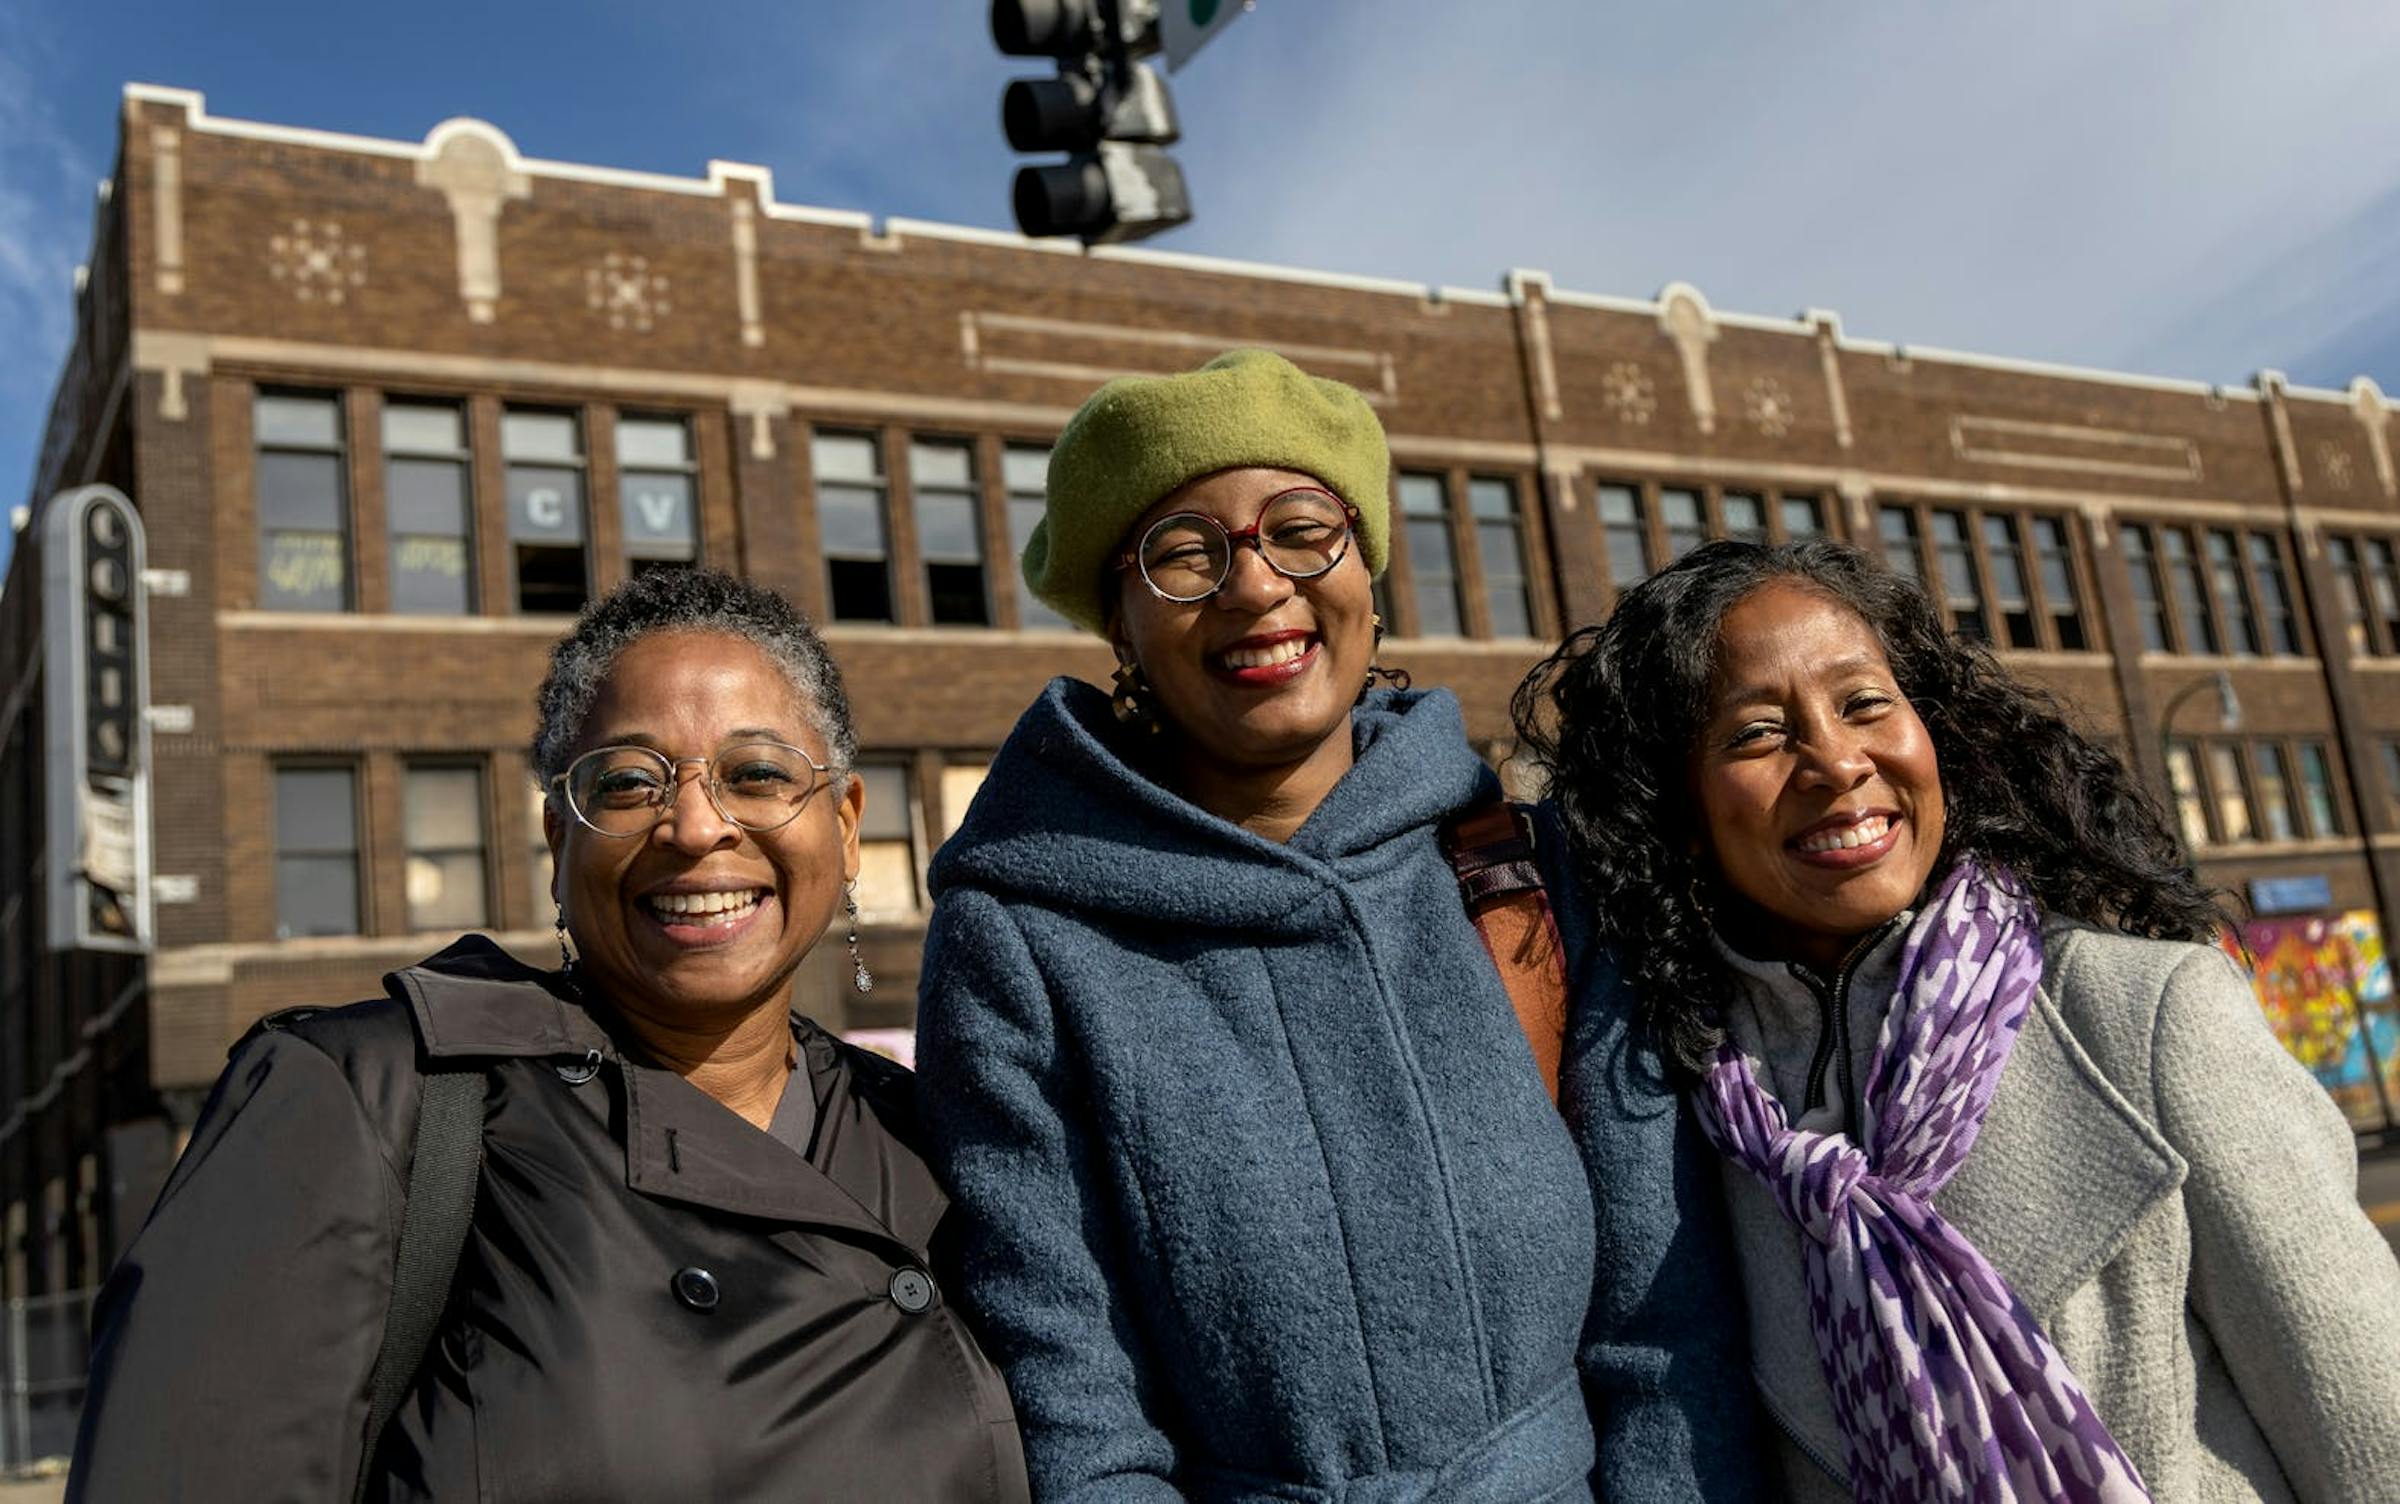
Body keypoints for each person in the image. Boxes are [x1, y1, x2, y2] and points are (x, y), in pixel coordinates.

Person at [915, 349, 1759, 1502]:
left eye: (1302, 531)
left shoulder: (1533, 875)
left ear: (1368, 570)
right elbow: (1073, 1401)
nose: (1256, 587)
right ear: (1120, 626)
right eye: (1181, 555)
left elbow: (1665, 1333)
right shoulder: (1021, 938)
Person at [72, 569, 1029, 1502]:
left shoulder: (937, 1140)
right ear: (557, 838)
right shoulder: (365, 1096)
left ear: (848, 825)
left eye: (758, 774)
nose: (696, 827)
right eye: (625, 783)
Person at [1514, 537, 2400, 1502]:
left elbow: (2369, 1423)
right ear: (1679, 812)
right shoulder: (1690, 1107)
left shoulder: (2143, 1014)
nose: (1834, 761)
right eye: (1758, 734)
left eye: (1864, 705)